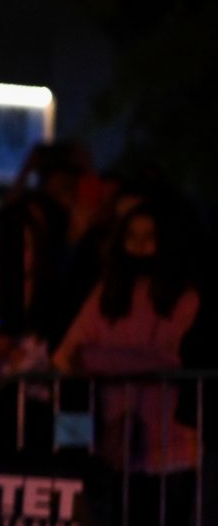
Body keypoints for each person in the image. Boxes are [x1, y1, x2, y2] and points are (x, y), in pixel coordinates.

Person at [53, 202, 201, 472]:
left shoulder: (186, 299)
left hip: (173, 445)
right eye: (131, 236)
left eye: (150, 236)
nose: (140, 245)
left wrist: (98, 359)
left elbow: (179, 360)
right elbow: (67, 356)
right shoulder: (105, 295)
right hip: (110, 441)